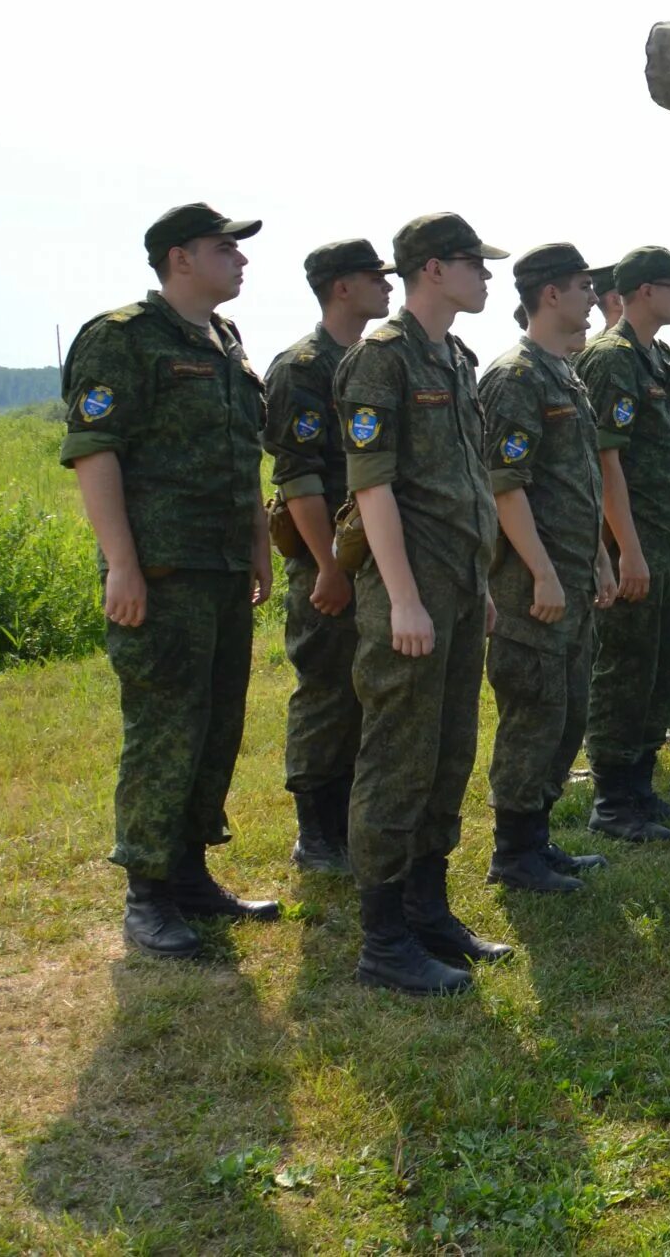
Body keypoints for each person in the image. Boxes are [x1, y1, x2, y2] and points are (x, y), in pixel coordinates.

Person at [61, 203, 277, 960]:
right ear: (180, 258)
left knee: (217, 724)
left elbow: (243, 451)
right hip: (159, 570)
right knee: (164, 729)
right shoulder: (122, 339)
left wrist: (258, 543)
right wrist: (121, 563)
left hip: (220, 566)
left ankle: (188, 873)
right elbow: (96, 451)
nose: (242, 261)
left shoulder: (226, 342)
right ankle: (147, 892)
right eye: (227, 249)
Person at [336, 212, 513, 995]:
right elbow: (371, 484)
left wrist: (478, 586)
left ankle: (428, 909)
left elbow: (469, 482)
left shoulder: (458, 355)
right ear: (434, 269)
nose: (487, 277)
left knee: (448, 754)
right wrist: (404, 599)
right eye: (476, 264)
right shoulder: (384, 359)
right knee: (397, 759)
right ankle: (382, 941)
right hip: (409, 588)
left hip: (460, 585)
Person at [477, 243, 615, 894]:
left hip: (571, 575)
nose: (594, 297)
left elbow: (580, 484)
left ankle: (537, 839)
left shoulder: (567, 374)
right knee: (533, 712)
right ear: (550, 295)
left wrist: (598, 561)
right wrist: (542, 572)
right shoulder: (516, 377)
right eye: (584, 286)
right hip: (531, 584)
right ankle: (513, 852)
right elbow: (507, 487)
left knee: (567, 712)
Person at [578, 245, 670, 837]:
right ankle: (612, 799)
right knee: (626, 667)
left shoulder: (659, 359)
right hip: (631, 542)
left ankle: (641, 785)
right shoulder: (611, 359)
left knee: (661, 665)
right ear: (641, 291)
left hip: (666, 539)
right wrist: (628, 548)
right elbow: (607, 461)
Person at [260, 237, 389, 876]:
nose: (387, 285)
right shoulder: (305, 366)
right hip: (328, 560)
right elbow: (299, 479)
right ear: (342, 287)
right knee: (326, 690)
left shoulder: (368, 359)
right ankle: (316, 834)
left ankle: (348, 822)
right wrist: (329, 567)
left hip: (372, 555)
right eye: (374, 276)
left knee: (365, 689)